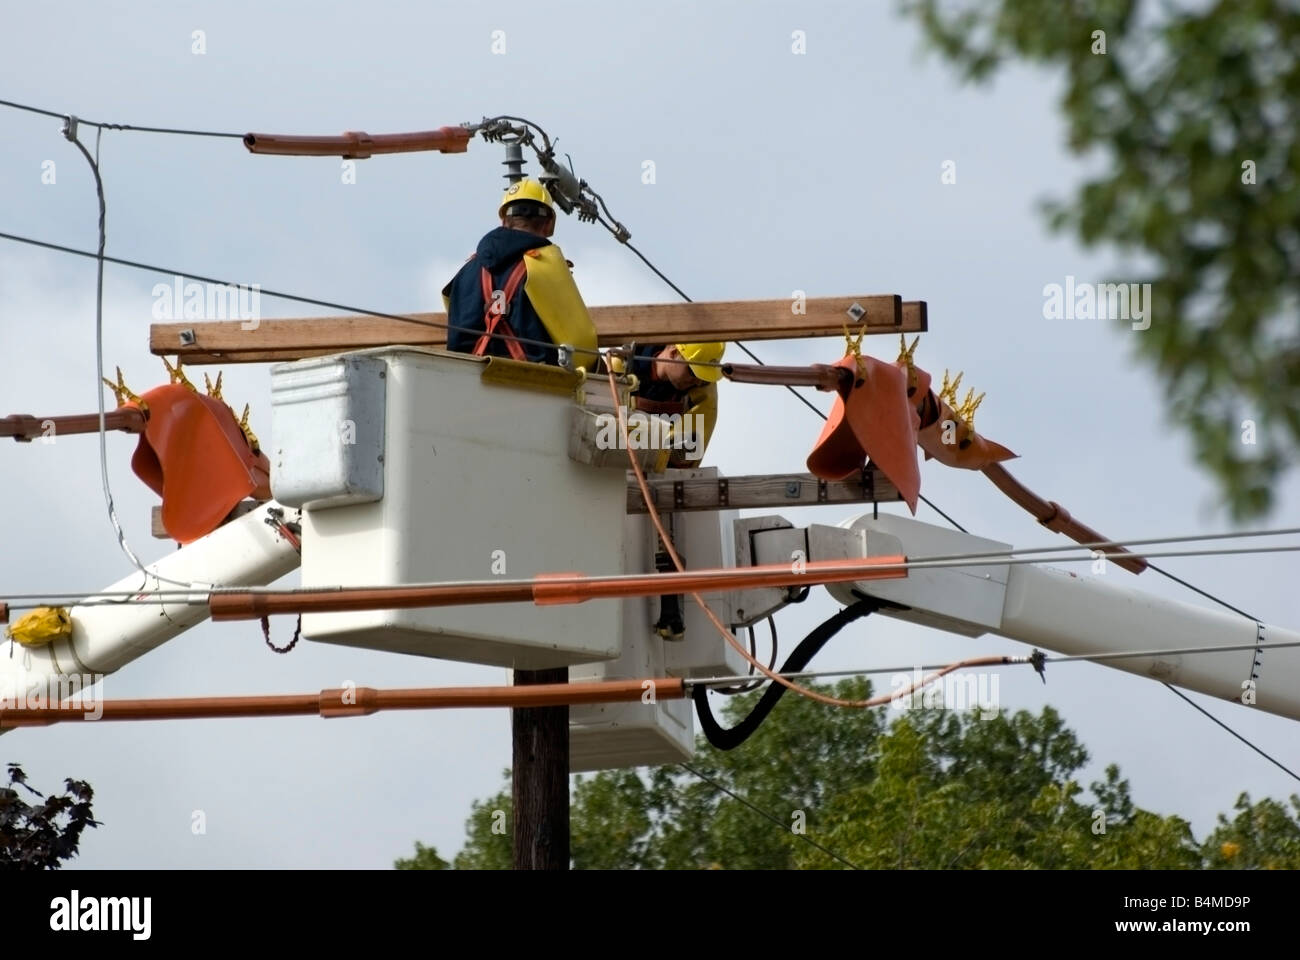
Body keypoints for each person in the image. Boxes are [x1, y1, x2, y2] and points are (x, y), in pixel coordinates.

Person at [624, 341, 725, 640]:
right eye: (693, 372)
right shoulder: (621, 364)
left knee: (671, 517)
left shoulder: (702, 390)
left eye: (704, 377)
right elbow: (601, 424)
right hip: (615, 475)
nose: (696, 380)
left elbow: (688, 450)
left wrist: (642, 440)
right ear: (672, 352)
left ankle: (671, 613)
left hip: (661, 473)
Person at [442, 179, 597, 369]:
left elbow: (456, 335)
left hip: (466, 380)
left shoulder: (465, 272)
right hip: (531, 383)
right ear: (548, 225)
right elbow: (581, 347)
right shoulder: (547, 265)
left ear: (504, 221)